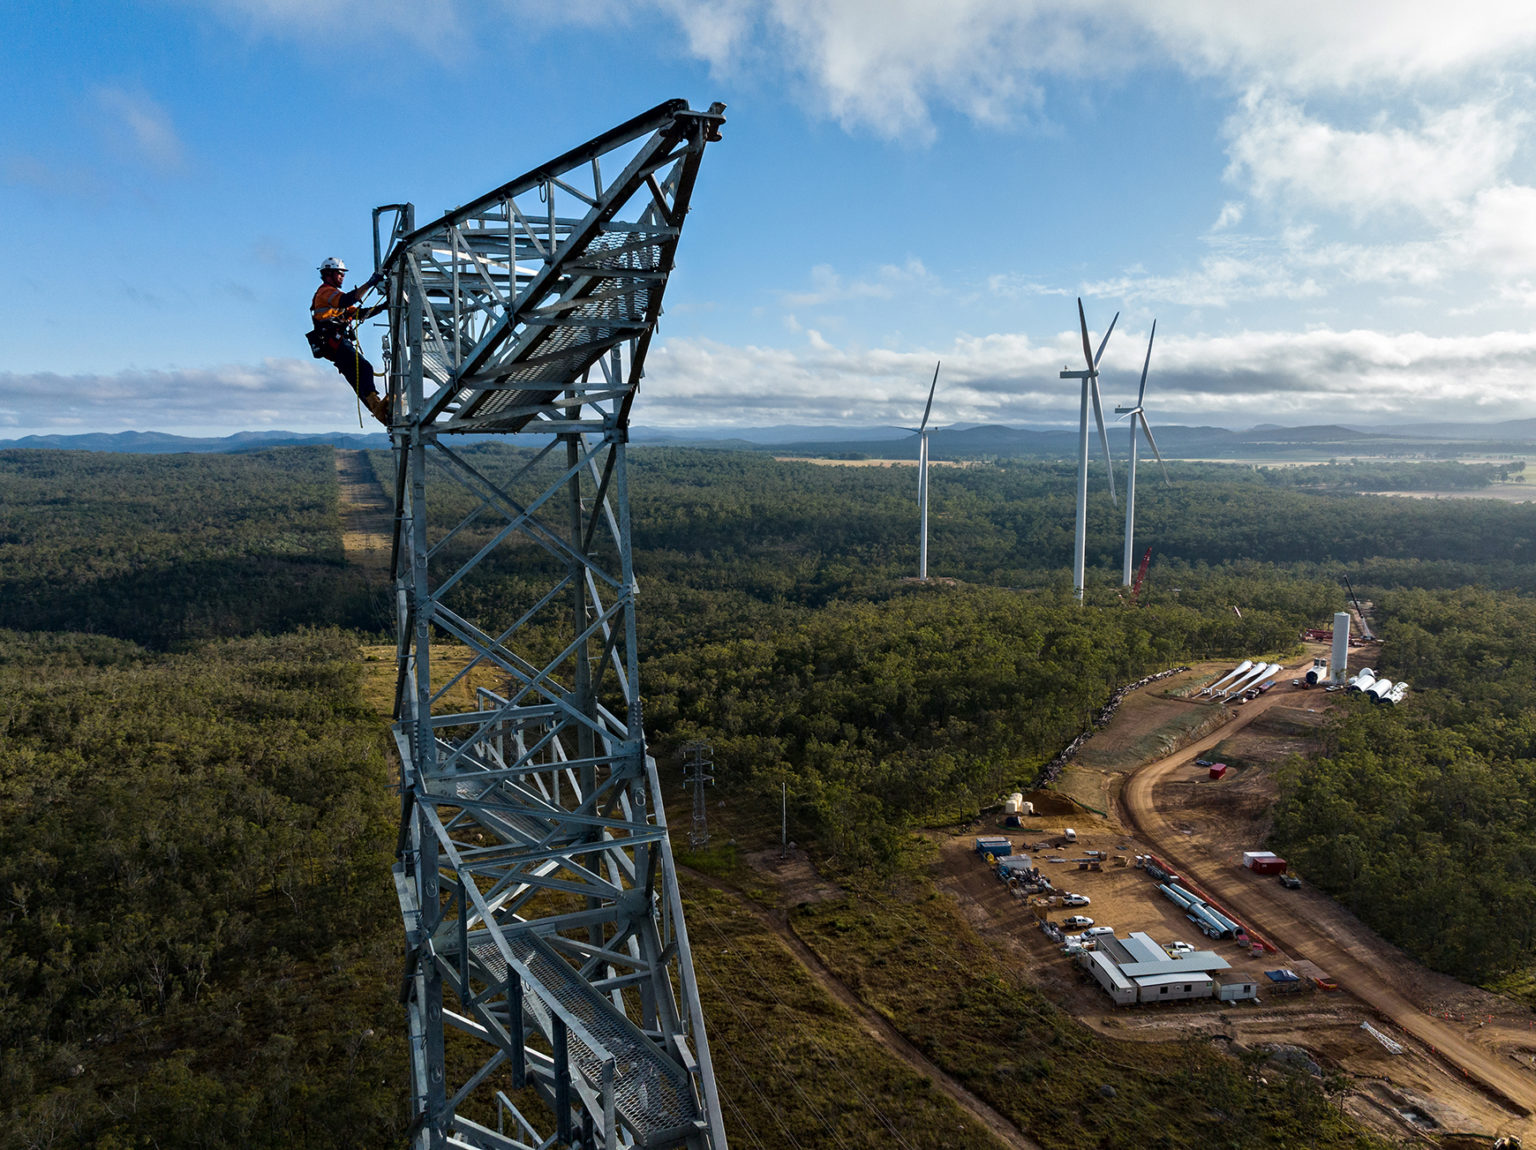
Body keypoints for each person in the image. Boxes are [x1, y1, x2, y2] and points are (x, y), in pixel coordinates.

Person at [309, 257, 389, 425]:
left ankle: (382, 413)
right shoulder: (326, 292)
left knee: (356, 379)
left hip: (334, 344)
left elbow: (358, 313)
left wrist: (383, 307)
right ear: (329, 274)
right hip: (334, 341)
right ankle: (377, 405)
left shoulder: (334, 296)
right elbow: (347, 300)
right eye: (340, 274)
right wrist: (370, 284)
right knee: (364, 368)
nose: (342, 278)